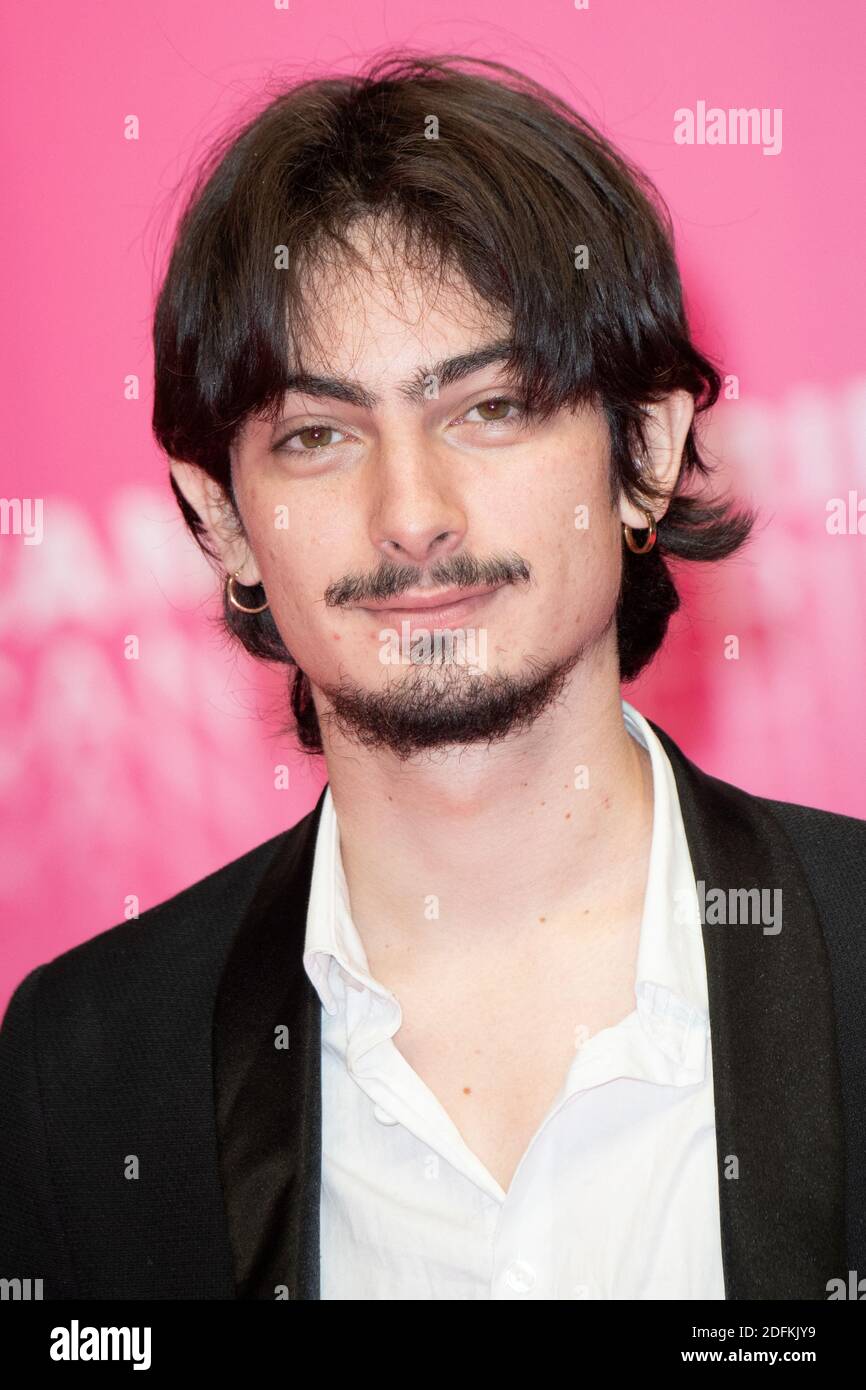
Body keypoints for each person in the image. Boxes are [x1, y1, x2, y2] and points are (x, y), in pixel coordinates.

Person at [2, 51, 864, 1303]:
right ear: (225, 520)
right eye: (316, 436)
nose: (411, 515)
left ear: (646, 450)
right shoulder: (81, 1074)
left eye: (490, 408)